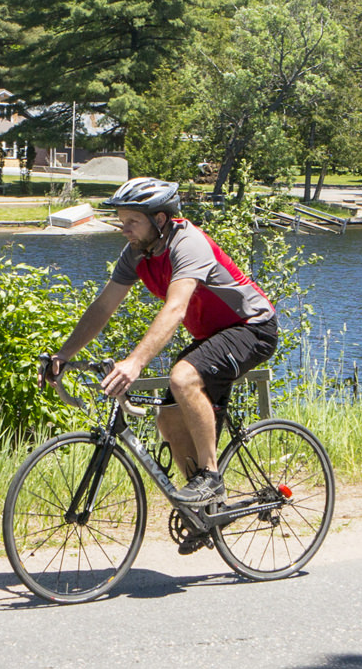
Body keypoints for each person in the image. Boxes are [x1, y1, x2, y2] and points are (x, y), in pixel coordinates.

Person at [41, 176, 279, 521]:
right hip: (212, 336)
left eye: (133, 222)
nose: (125, 230)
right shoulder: (137, 253)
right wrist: (64, 354)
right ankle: (204, 513)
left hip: (251, 327)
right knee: (167, 418)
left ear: (161, 219)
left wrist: (135, 363)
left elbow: (175, 309)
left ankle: (211, 479)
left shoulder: (189, 244)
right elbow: (103, 307)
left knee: (182, 378)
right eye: (122, 222)